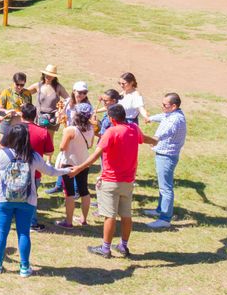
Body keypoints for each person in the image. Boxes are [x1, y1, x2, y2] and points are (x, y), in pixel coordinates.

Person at [0, 124, 71, 276]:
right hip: (27, 200)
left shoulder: (2, 155)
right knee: (24, 234)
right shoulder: (33, 156)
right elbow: (51, 172)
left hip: (3, 200)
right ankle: (24, 267)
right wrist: (68, 170)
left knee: (2, 232)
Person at [71, 104, 147, 258]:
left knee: (109, 215)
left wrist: (79, 168)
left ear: (112, 119)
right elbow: (144, 139)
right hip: (128, 180)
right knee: (126, 215)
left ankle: (105, 248)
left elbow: (95, 155)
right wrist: (156, 141)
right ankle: (123, 246)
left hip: (111, 181)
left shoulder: (111, 132)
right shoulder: (133, 128)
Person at [143, 92, 188, 229]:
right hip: (163, 154)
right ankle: (159, 210)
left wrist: (153, 140)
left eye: (164, 105)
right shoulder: (172, 114)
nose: (162, 107)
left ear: (174, 106)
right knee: (163, 185)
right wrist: (150, 118)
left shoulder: (175, 120)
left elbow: (165, 132)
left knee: (165, 187)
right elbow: (162, 116)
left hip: (167, 156)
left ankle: (165, 219)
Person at [54, 103, 95, 228]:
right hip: (83, 163)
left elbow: (62, 147)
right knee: (84, 191)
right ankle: (83, 219)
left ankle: (68, 221)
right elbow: (90, 145)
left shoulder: (70, 130)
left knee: (69, 193)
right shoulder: (91, 128)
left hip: (69, 164)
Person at [21, 103, 54, 232]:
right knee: (32, 197)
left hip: (14, 170)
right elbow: (49, 152)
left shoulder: (15, 129)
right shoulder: (43, 132)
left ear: (22, 115)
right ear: (35, 116)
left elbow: (4, 147)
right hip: (35, 172)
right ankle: (32, 222)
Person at [27, 64, 68, 131]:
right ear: (44, 74)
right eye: (47, 74)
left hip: (53, 118)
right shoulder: (38, 85)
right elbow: (24, 93)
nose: (48, 76)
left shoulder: (58, 87)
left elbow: (68, 99)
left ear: (54, 77)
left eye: (51, 75)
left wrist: (61, 110)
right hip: (39, 117)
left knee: (49, 138)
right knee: (38, 137)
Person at [0, 72, 33, 138]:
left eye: (22, 85)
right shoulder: (6, 92)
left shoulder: (27, 93)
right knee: (4, 146)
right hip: (7, 122)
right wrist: (8, 111)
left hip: (22, 124)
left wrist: (26, 107)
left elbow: (30, 108)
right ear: (13, 82)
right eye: (17, 84)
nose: (19, 87)